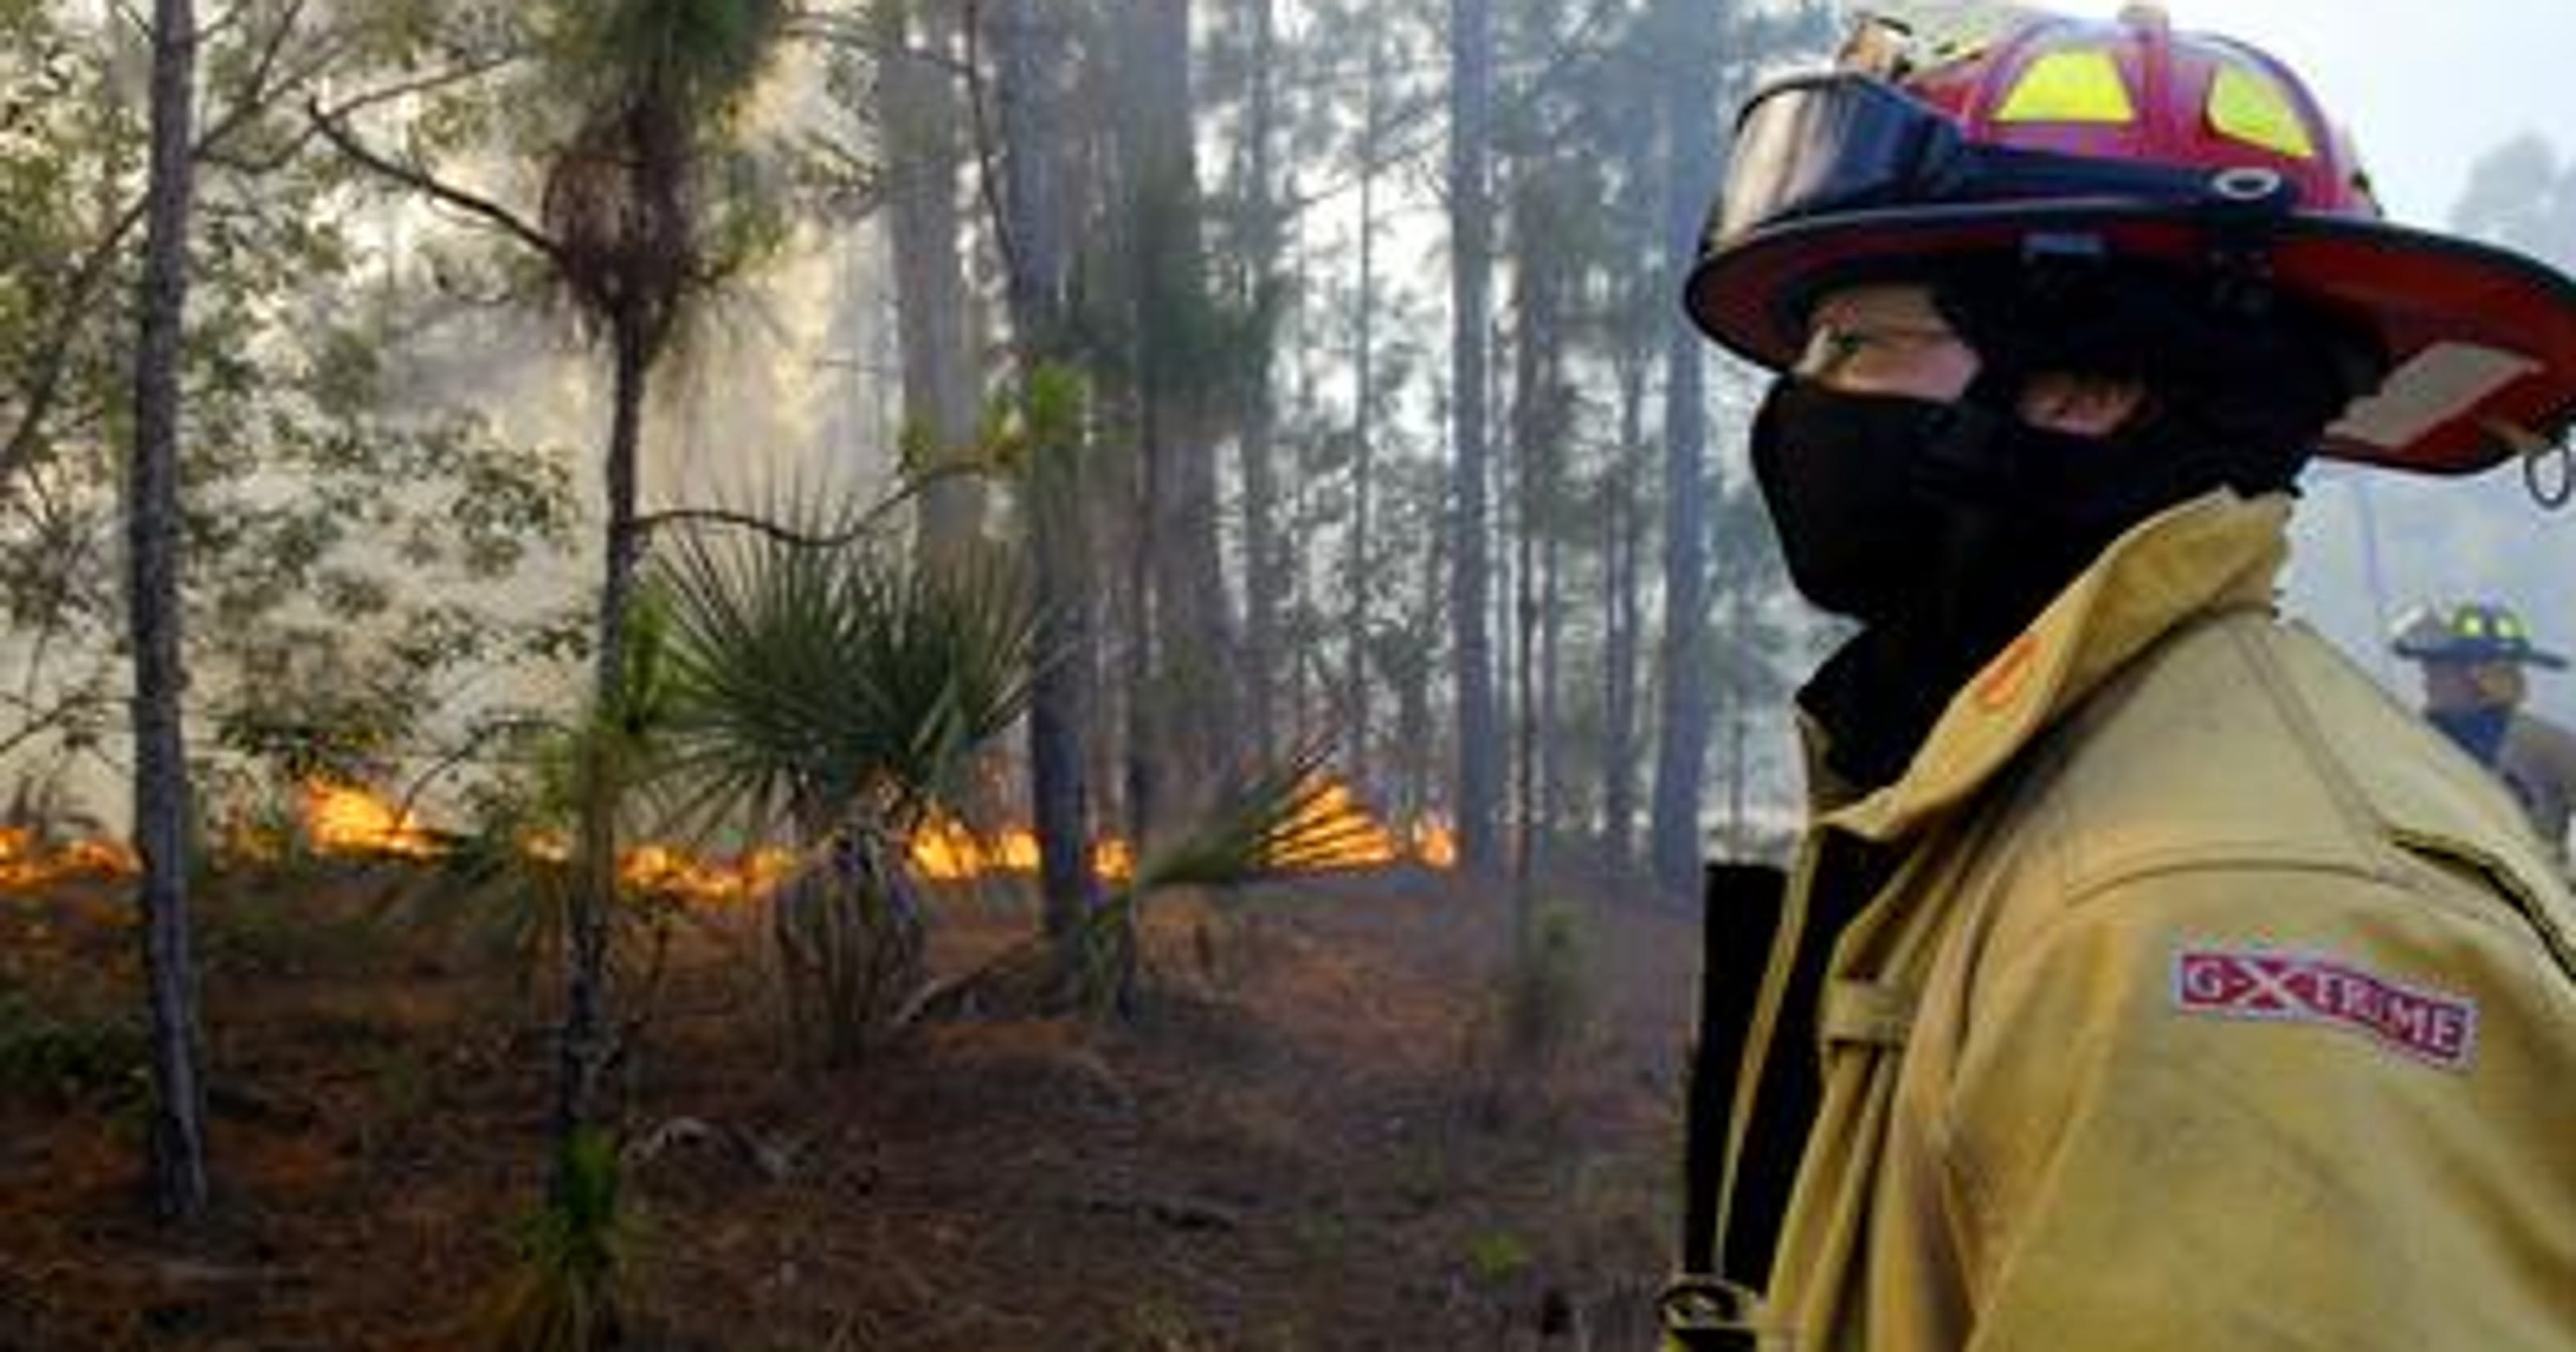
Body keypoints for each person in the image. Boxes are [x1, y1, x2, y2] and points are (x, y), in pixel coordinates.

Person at [1659, 6, 2576, 1350]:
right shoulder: (2014, 795)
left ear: (2084, 384)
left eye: (1856, 345)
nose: (1803, 404)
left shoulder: (2243, 911)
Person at [2392, 600, 2576, 862]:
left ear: (2479, 674)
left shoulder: (2548, 747)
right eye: (2427, 668)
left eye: (2437, 667)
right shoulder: (2407, 742)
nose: (2426, 679)